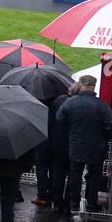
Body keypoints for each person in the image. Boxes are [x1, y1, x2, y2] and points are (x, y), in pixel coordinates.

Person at [57, 75, 112, 215]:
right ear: (94, 86)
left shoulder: (70, 103)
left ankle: (73, 203)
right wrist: (104, 136)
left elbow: (60, 119)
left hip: (76, 144)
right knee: (95, 175)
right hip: (97, 146)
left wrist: (72, 130)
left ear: (81, 84)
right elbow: (111, 126)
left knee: (75, 174)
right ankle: (91, 204)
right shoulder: (102, 104)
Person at [47, 81, 77, 213]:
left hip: (57, 143)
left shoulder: (58, 100)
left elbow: (51, 121)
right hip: (72, 144)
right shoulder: (75, 104)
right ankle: (67, 204)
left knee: (58, 174)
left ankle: (57, 202)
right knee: (72, 175)